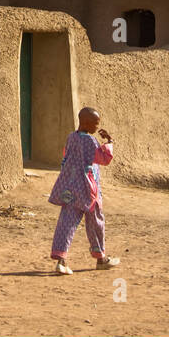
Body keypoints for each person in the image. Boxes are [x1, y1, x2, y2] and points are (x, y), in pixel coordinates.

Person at [47, 106, 120, 274]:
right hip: (88, 190)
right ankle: (101, 258)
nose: (97, 126)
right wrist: (109, 143)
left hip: (70, 188)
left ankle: (61, 260)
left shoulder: (71, 137)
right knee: (96, 223)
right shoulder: (90, 141)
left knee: (66, 223)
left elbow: (66, 157)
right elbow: (103, 159)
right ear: (86, 123)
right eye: (95, 123)